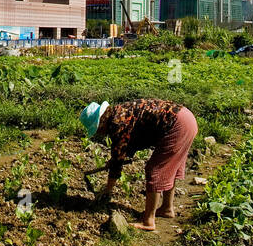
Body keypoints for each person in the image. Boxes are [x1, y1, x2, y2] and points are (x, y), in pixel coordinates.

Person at [80, 98, 198, 232]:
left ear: (101, 121)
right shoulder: (119, 112)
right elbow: (127, 145)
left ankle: (148, 221)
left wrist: (108, 189)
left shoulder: (117, 123)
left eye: (97, 129)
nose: (99, 133)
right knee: (169, 168)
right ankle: (166, 208)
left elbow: (118, 159)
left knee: (155, 171)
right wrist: (116, 159)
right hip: (186, 119)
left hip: (177, 125)